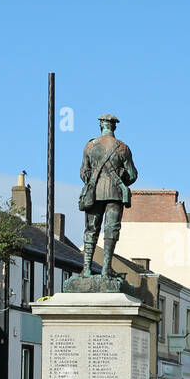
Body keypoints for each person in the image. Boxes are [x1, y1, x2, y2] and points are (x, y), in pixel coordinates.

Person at [78, 114, 138, 276]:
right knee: (111, 229)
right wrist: (120, 178)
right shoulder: (123, 147)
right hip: (115, 194)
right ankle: (106, 268)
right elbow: (132, 175)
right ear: (114, 127)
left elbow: (83, 173)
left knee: (91, 229)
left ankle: (87, 268)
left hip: (94, 193)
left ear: (100, 126)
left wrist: (93, 179)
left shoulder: (90, 146)